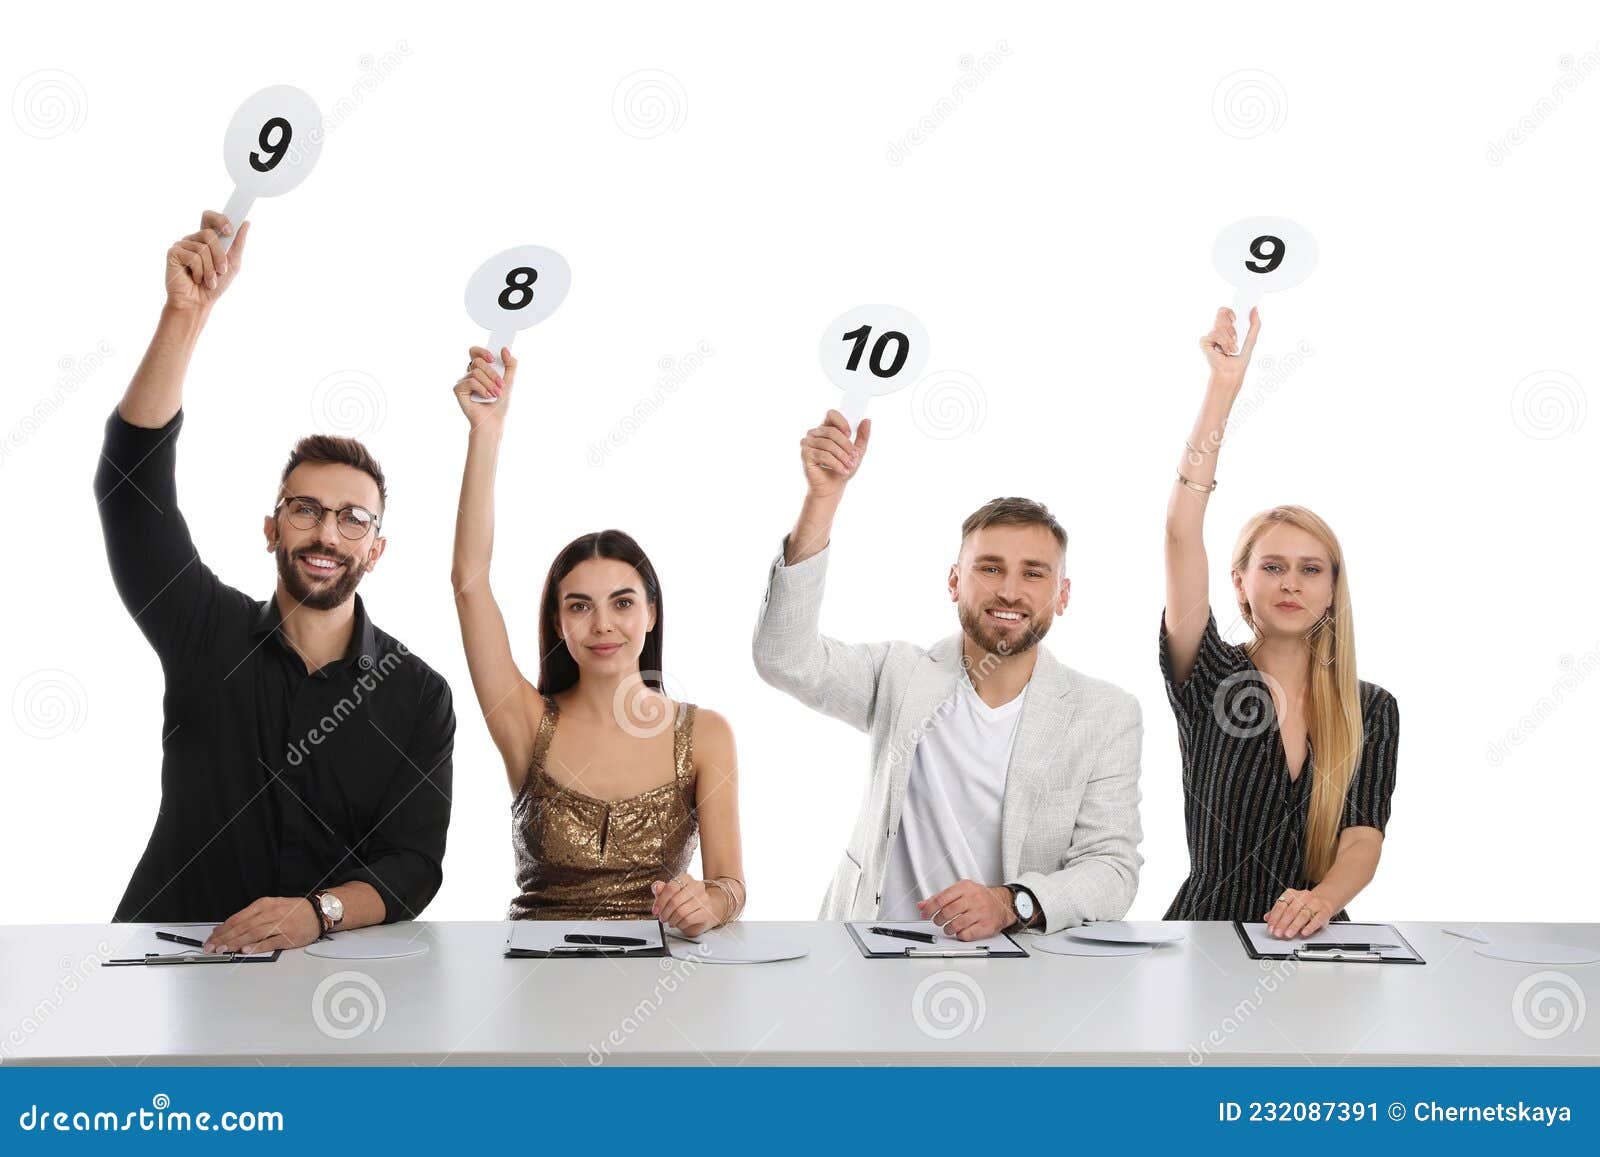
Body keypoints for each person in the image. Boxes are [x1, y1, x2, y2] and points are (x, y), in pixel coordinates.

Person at [93, 210, 455, 954]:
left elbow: (413, 864)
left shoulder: (418, 694)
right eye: (306, 510)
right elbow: (130, 488)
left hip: (327, 977)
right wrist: (183, 316)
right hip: (168, 961)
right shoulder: (202, 629)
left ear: (376, 549)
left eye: (352, 518)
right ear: (271, 528)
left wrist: (311, 913)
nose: (327, 533)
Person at [752, 410, 1143, 939]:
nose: (1009, 590)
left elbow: (1112, 871)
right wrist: (822, 500)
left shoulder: (1105, 713)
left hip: (1017, 970)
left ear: (1063, 595)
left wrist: (1011, 903)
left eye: (1034, 573)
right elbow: (783, 657)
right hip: (869, 955)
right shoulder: (899, 674)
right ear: (955, 581)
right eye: (989, 568)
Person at [449, 346, 745, 935]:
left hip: (658, 983)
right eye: (579, 606)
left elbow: (730, 883)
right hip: (538, 984)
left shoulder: (706, 733)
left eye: (623, 602)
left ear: (653, 614)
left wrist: (712, 903)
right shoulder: (527, 722)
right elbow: (469, 584)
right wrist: (487, 433)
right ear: (559, 623)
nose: (603, 625)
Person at [1161, 307, 1399, 938]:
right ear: (1240, 582)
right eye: (1273, 566)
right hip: (1204, 939)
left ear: (1332, 589)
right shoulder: (1208, 676)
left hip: (1319, 943)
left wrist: (1321, 900)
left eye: (1311, 569)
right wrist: (1223, 390)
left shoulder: (1370, 707)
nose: (1291, 582)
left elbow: (1362, 837)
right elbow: (1181, 533)